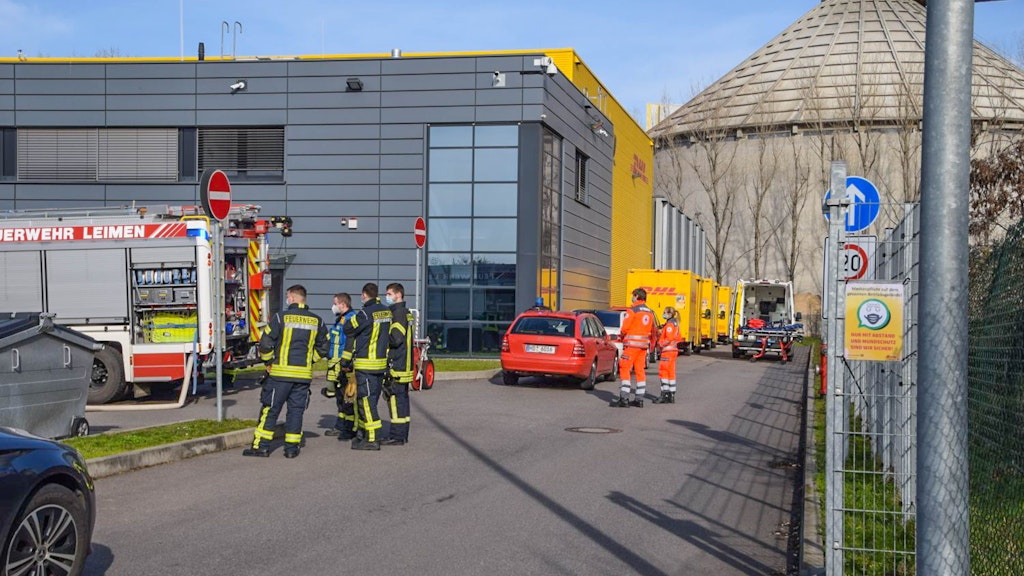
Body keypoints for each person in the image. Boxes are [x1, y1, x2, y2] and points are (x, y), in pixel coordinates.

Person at [243, 285, 328, 458]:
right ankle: (291, 449)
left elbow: (266, 343)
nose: (287, 300)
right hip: (303, 376)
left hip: (280, 374)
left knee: (271, 409)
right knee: (296, 411)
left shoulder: (280, 317)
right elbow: (324, 347)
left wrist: (268, 361)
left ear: (294, 298)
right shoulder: (317, 320)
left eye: (288, 297)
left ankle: (262, 447)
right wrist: (309, 360)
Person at [343, 282, 393, 451]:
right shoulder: (386, 311)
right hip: (380, 365)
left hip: (367, 365)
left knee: (366, 402)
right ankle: (366, 434)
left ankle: (372, 438)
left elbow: (349, 328)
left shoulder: (365, 313)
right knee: (372, 400)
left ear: (364, 294)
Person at [610, 287, 657, 408]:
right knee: (640, 371)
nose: (632, 297)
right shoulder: (650, 312)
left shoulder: (632, 310)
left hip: (631, 346)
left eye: (633, 295)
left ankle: (624, 398)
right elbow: (653, 330)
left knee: (624, 367)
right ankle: (639, 399)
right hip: (643, 346)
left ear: (636, 296)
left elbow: (625, 328)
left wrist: (622, 335)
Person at [323, 293, 359, 439]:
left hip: (345, 365)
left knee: (348, 398)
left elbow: (350, 343)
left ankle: (350, 429)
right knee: (340, 398)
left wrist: (346, 363)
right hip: (336, 364)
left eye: (335, 303)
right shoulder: (341, 319)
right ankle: (341, 425)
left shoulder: (351, 319)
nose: (333, 306)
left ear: (343, 305)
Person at [383, 283, 414, 446]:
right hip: (404, 363)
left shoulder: (399, 313)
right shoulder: (405, 312)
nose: (386, 296)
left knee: (395, 400)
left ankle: (397, 435)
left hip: (398, 365)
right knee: (402, 400)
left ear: (398, 294)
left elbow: (396, 339)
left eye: (389, 293)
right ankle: (402, 433)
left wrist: (382, 340)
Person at [654, 306, 681, 404]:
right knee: (671, 373)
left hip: (667, 351)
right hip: (673, 351)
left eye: (665, 312)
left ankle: (664, 394)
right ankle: (671, 394)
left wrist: (661, 344)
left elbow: (668, 338)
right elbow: (677, 337)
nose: (663, 314)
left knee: (663, 372)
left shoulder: (670, 324)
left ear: (669, 314)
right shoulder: (675, 323)